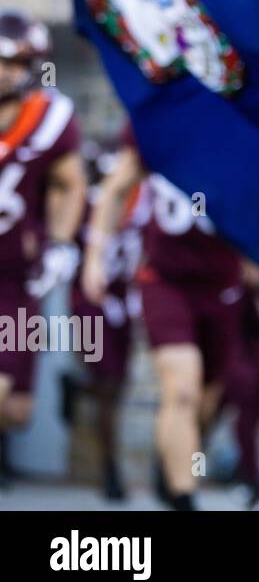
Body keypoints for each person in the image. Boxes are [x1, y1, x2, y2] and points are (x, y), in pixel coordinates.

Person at [84, 126, 255, 510]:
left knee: (208, 399)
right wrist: (95, 257)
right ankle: (183, 496)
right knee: (181, 389)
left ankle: (172, 464)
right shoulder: (162, 119)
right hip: (165, 279)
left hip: (221, 283)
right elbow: (115, 188)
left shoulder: (245, 122)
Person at [0, 10, 86, 470]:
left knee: (16, 410)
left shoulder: (50, 118)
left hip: (14, 277)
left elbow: (69, 183)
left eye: (12, 62)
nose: (2, 72)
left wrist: (61, 243)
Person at [70, 138, 146, 502]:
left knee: (116, 386)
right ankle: (110, 471)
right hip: (90, 301)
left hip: (122, 304)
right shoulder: (84, 205)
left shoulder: (139, 205)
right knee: (104, 385)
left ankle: (110, 466)